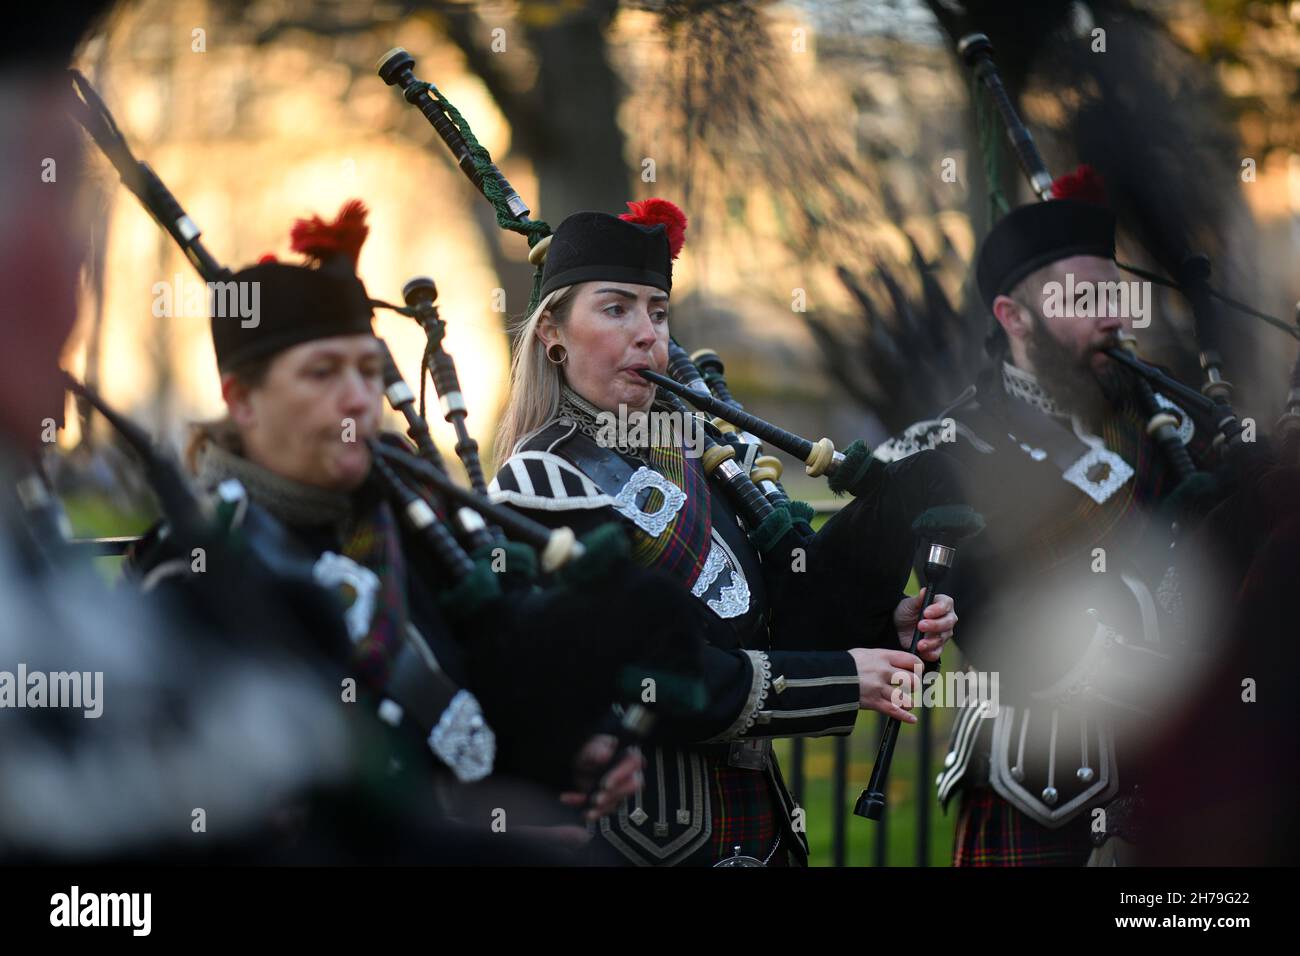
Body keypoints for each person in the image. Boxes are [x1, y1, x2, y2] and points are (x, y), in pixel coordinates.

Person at [125, 200, 649, 855]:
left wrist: (582, 744)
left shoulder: (417, 526)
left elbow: (483, 699)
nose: (357, 398)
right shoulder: (191, 570)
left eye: (369, 371)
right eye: (322, 372)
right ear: (241, 399)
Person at [490, 198, 958, 866]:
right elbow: (665, 676)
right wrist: (847, 680)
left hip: (760, 834)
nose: (648, 333)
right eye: (615, 308)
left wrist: (888, 628)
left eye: (657, 311)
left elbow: (763, 628)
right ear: (552, 335)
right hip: (631, 845)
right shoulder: (540, 483)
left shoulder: (692, 460)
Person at [876, 167, 1219, 865]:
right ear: (1013, 316)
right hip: (1037, 793)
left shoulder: (1174, 428)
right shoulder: (949, 448)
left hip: (1189, 788)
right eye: (1086, 295)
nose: (1116, 316)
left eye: (1116, 293)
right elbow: (1004, 627)